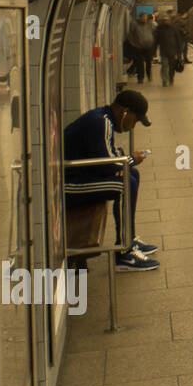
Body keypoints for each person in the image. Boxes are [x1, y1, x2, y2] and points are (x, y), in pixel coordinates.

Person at [64, 90, 160, 271]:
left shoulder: (103, 118)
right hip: (68, 185)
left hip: (79, 176)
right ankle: (125, 251)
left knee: (133, 175)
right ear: (125, 111)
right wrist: (132, 159)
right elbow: (108, 165)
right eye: (135, 120)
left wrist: (127, 162)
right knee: (126, 184)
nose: (133, 126)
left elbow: (107, 157)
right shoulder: (101, 122)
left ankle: (128, 237)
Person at [156, 13, 185, 86]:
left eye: (167, 20)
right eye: (165, 20)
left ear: (169, 21)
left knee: (171, 67)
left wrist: (179, 51)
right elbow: (156, 40)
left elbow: (178, 40)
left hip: (173, 51)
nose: (166, 21)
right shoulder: (159, 29)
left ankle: (171, 78)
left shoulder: (174, 28)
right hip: (164, 51)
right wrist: (154, 50)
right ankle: (164, 80)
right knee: (164, 66)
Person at [126, 13, 155, 84]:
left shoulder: (150, 24)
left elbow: (154, 32)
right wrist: (133, 43)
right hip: (138, 47)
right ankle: (140, 78)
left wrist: (153, 41)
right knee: (140, 63)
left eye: (145, 17)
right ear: (140, 17)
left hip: (148, 46)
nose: (144, 19)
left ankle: (149, 76)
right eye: (143, 17)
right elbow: (130, 35)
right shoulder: (135, 24)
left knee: (149, 63)